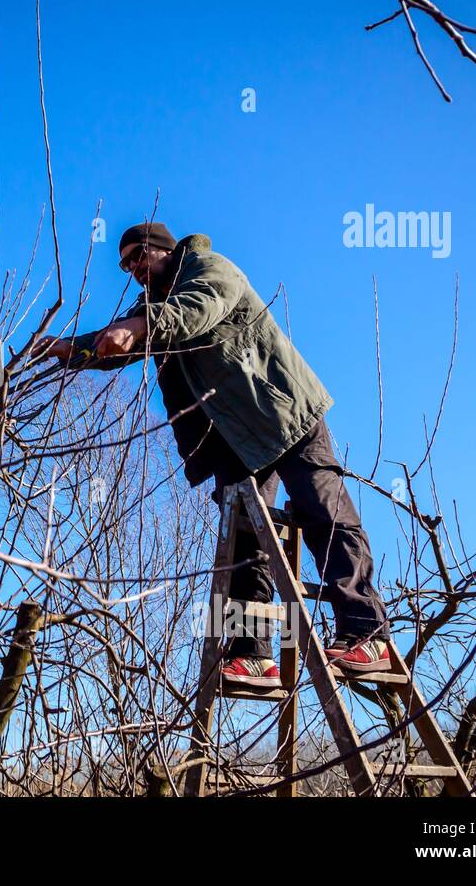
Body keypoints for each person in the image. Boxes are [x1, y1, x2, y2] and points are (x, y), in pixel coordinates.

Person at [29, 221, 390, 688]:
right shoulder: (154, 306)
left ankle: (367, 631)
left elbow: (196, 311)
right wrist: (67, 349)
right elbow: (119, 339)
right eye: (124, 265)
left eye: (138, 256)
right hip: (236, 437)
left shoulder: (209, 269)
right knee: (242, 538)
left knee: (325, 512)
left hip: (282, 408)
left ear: (163, 248)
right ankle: (254, 653)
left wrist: (138, 326)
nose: (133, 269)